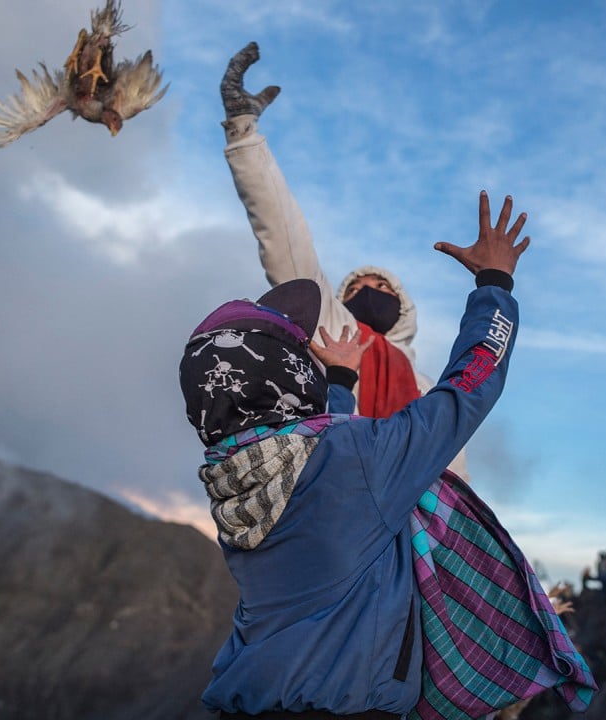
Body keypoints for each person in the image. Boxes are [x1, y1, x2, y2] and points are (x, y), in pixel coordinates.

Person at [180, 192, 527, 716]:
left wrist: (341, 378)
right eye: (294, 345)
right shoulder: (359, 459)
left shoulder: (231, 475)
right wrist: (495, 287)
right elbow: (470, 385)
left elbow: (323, 442)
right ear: (287, 375)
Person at [218, 42, 469, 478]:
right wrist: (245, 133)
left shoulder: (429, 390)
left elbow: (456, 486)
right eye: (353, 289)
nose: (368, 292)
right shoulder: (336, 336)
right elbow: (283, 236)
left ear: (404, 307)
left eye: (382, 288)